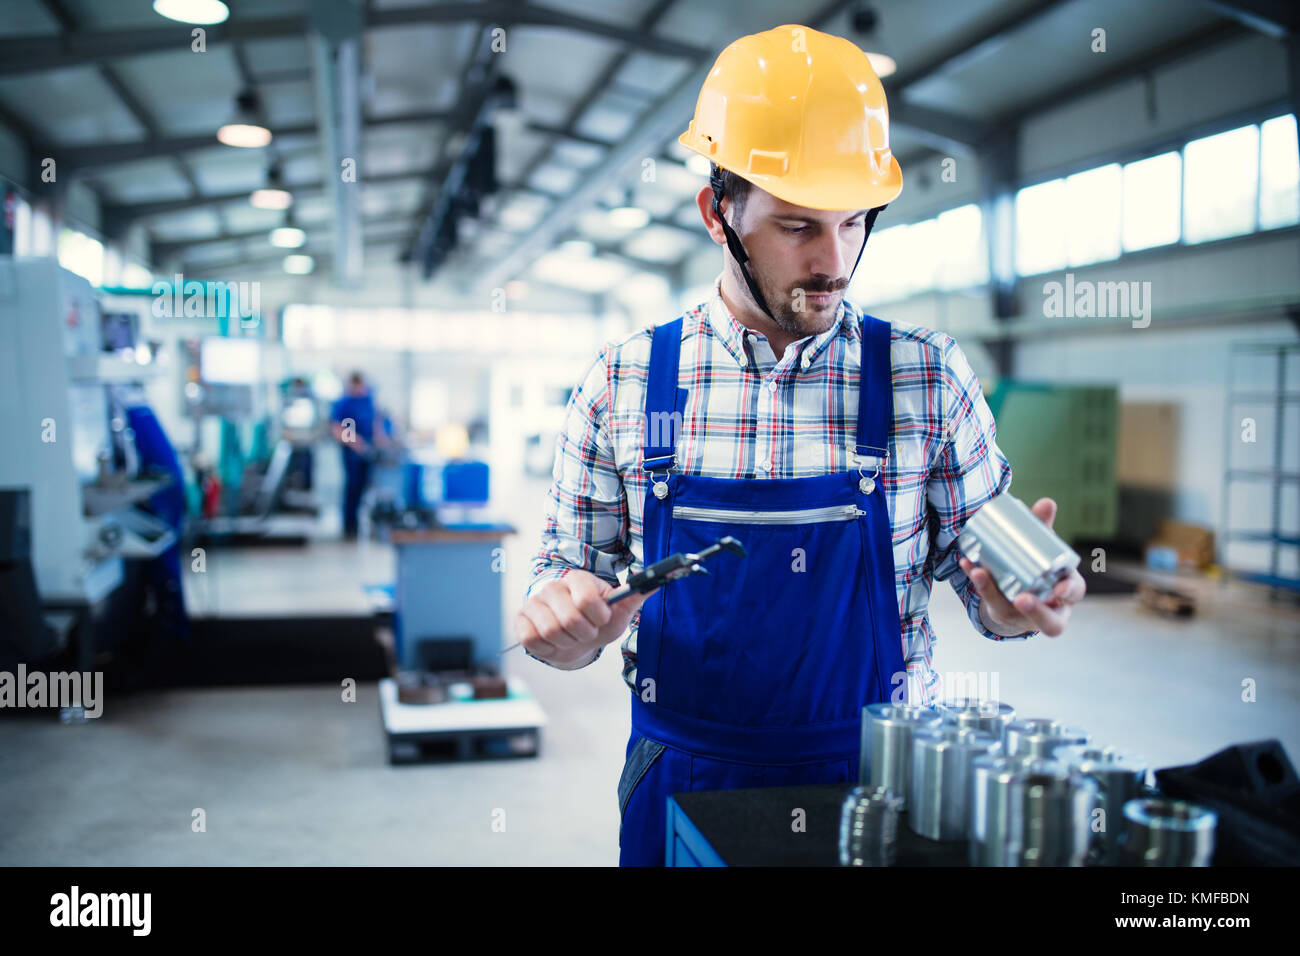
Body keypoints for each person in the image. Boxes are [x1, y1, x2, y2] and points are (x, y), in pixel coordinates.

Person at [516, 24, 1086, 867]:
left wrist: (1012, 607)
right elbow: (568, 574)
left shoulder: (928, 379)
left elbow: (992, 586)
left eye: (855, 223)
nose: (835, 261)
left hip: (879, 788)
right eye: (796, 227)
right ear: (718, 212)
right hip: (682, 781)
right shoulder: (625, 381)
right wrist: (566, 626)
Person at [329, 371, 385, 539]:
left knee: (368, 488)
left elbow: (376, 423)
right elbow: (337, 428)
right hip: (352, 452)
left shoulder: (368, 401)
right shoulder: (343, 403)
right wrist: (356, 443)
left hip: (369, 451)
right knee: (352, 488)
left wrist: (381, 439)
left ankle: (370, 525)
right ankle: (349, 526)